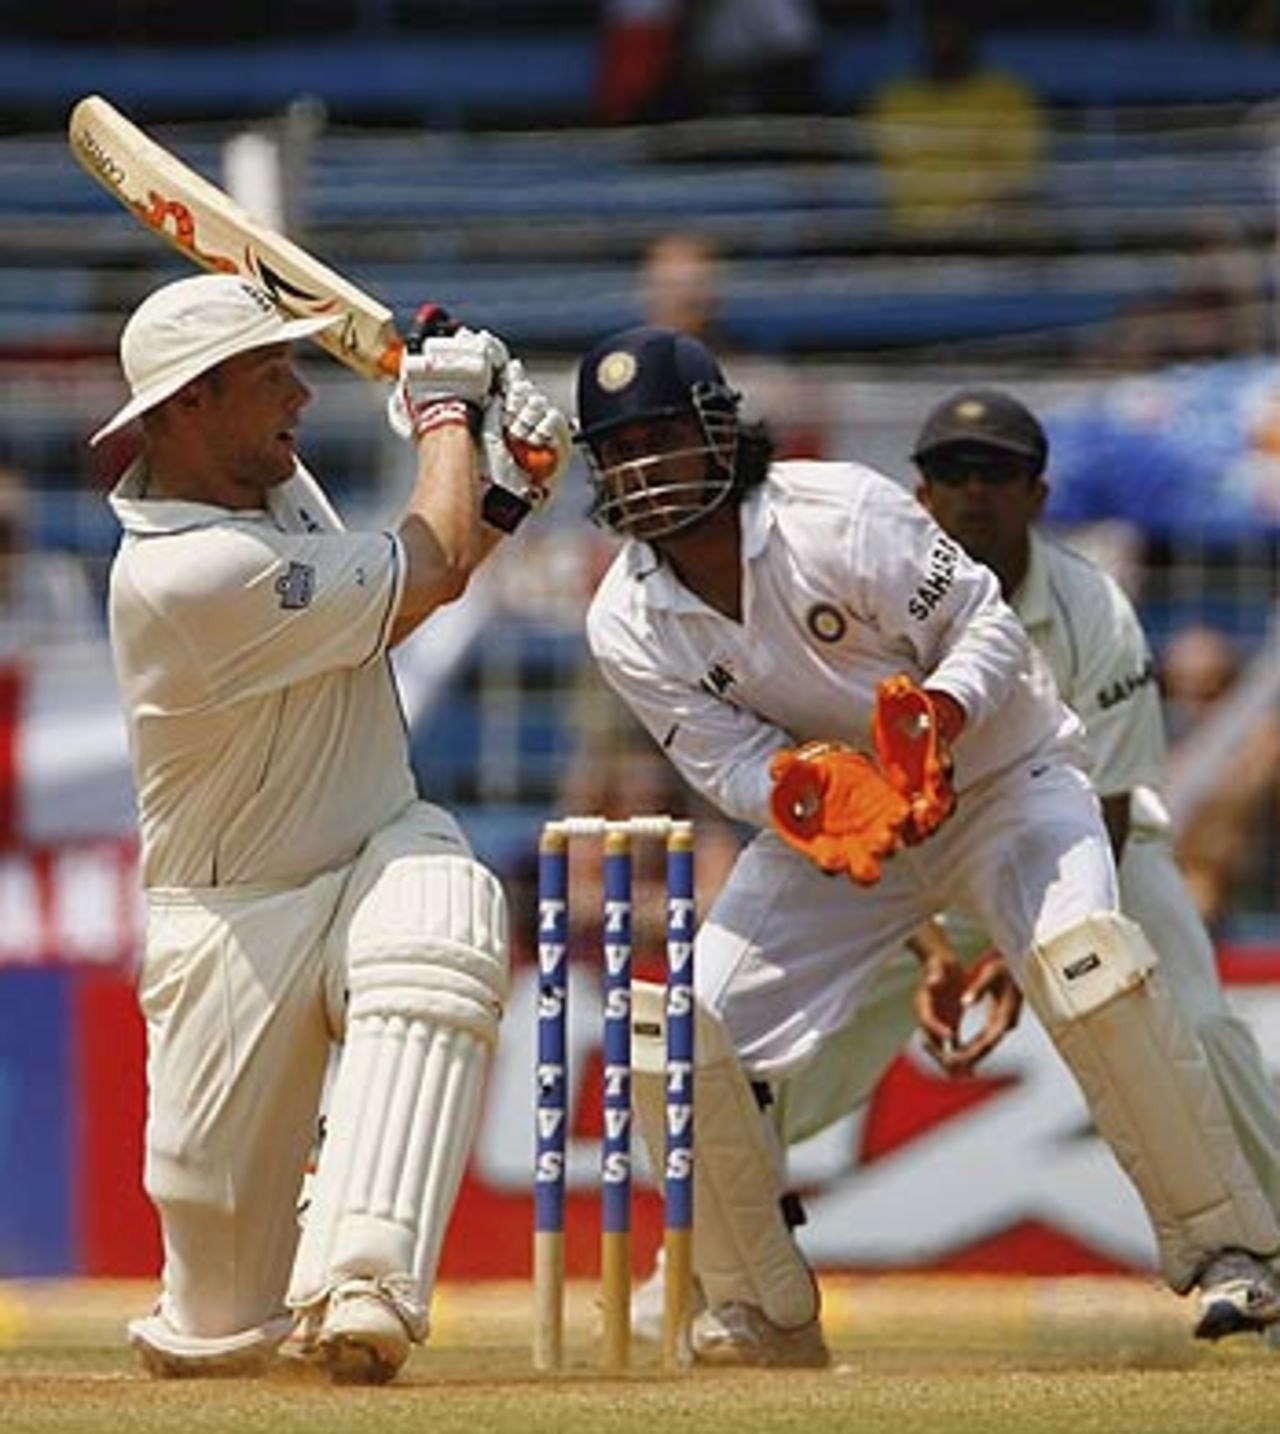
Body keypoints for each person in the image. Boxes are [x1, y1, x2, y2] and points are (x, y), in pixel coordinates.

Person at [573, 324, 1280, 1366]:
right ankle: (755, 1306)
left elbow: (985, 624)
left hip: (1005, 785)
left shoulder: (839, 513)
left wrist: (938, 715)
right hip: (858, 836)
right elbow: (721, 761)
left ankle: (1228, 1251)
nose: (643, 466)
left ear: (719, 431)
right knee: (675, 1036)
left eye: (663, 436)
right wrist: (804, 795)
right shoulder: (624, 619)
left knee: (1094, 972)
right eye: (620, 448)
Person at [90, 273, 570, 1384]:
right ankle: (274, 1254)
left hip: (373, 844)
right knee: (213, 1334)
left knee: (443, 906)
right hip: (235, 922)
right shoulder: (182, 574)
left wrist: (500, 492)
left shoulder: (274, 486)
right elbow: (429, 564)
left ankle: (364, 1277)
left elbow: (397, 599)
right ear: (189, 407)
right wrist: (448, 416)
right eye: (271, 377)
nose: (300, 396)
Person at [866, 8, 1046, 235]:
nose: (944, 41)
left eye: (953, 32)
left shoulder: (1008, 95)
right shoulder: (894, 98)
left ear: (972, 37)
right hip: (915, 237)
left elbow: (1017, 176)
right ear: (922, 36)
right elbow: (896, 179)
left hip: (989, 232)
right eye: (936, 32)